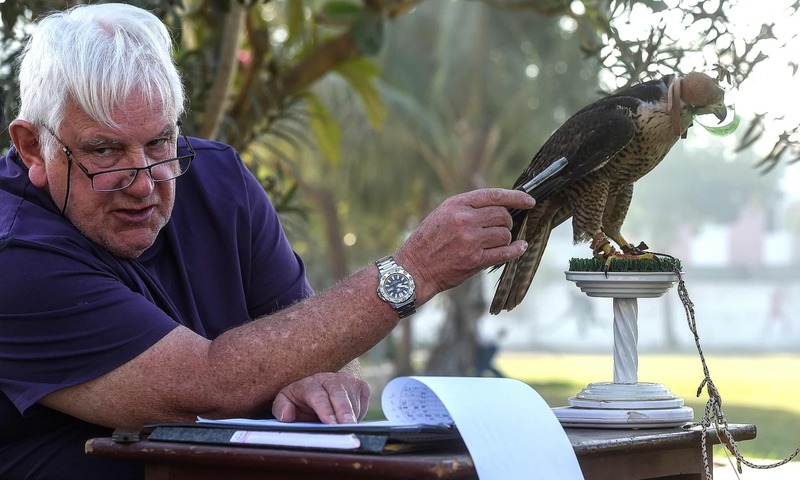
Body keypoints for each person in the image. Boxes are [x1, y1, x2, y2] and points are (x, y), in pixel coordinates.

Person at [0, 4, 535, 479]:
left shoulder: (219, 180)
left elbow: (320, 343)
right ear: (32, 148)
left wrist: (323, 384)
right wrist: (414, 270)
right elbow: (206, 389)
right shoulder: (14, 253)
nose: (143, 183)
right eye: (104, 151)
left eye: (161, 141)